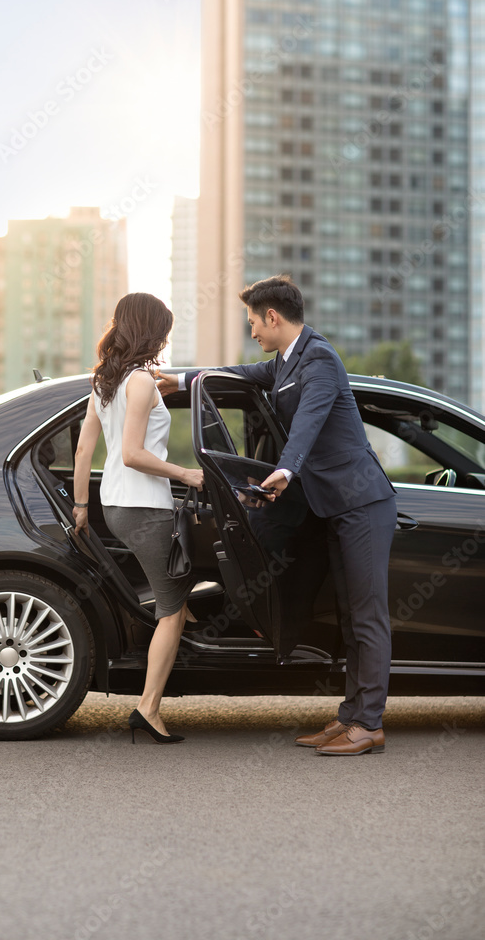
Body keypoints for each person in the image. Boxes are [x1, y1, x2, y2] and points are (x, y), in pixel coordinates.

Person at [159, 276, 397, 756]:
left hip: (362, 503)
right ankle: (350, 715)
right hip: (332, 507)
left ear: (273, 316)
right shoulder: (285, 362)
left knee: (368, 615)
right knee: (350, 616)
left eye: (253, 321)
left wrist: (286, 467)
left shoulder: (321, 360)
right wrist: (183, 379)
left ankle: (369, 724)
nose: (252, 331)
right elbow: (242, 373)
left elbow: (309, 420)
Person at [73, 293, 204, 745]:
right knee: (171, 614)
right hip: (146, 508)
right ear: (151, 330)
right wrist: (186, 473)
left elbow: (84, 450)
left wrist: (81, 506)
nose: (166, 337)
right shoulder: (140, 383)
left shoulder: (106, 381)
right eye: (164, 329)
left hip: (114, 507)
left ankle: (153, 694)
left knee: (176, 605)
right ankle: (148, 709)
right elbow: (132, 454)